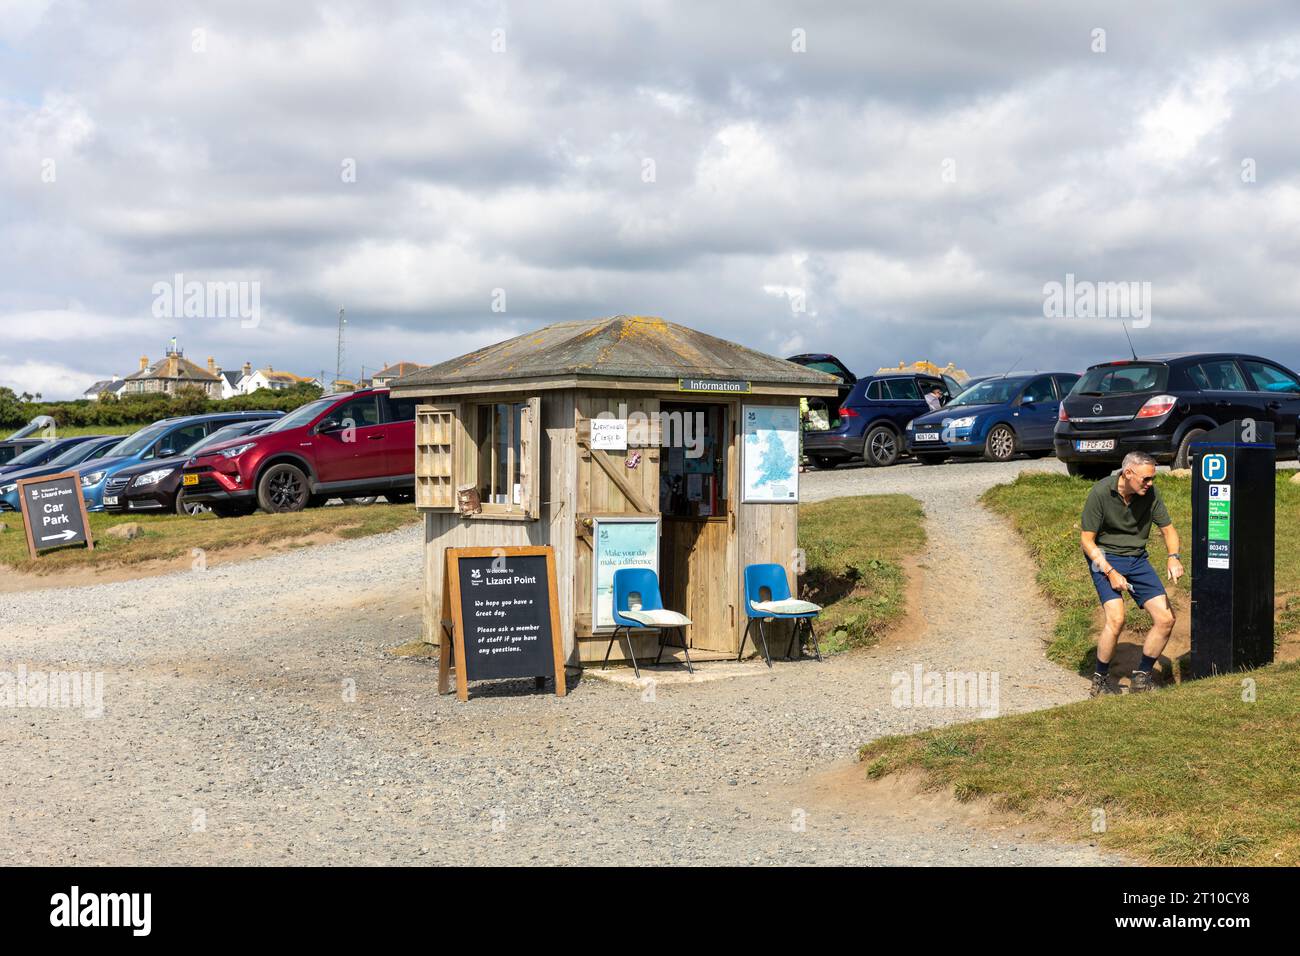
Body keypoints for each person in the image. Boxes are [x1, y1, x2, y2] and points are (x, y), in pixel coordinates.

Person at [1079, 451, 1183, 696]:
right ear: (1127, 473)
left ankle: (1141, 677)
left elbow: (1168, 530)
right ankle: (1100, 680)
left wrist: (1173, 557)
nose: (1150, 484)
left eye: (1152, 479)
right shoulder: (1100, 492)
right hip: (1103, 557)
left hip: (1137, 559)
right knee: (1116, 619)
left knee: (1166, 619)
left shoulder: (1150, 495)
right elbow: (1086, 540)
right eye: (1146, 479)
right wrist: (1110, 571)